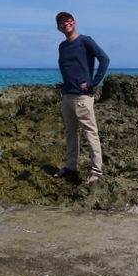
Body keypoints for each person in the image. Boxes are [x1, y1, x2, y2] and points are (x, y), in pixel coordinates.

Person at [53, 11, 109, 185]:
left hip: (82, 97)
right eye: (62, 22)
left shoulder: (85, 41)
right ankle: (70, 166)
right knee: (70, 132)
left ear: (75, 22)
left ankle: (96, 171)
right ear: (58, 27)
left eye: (68, 20)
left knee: (90, 132)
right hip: (67, 95)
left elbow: (104, 59)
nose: (66, 23)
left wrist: (93, 83)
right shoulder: (62, 46)